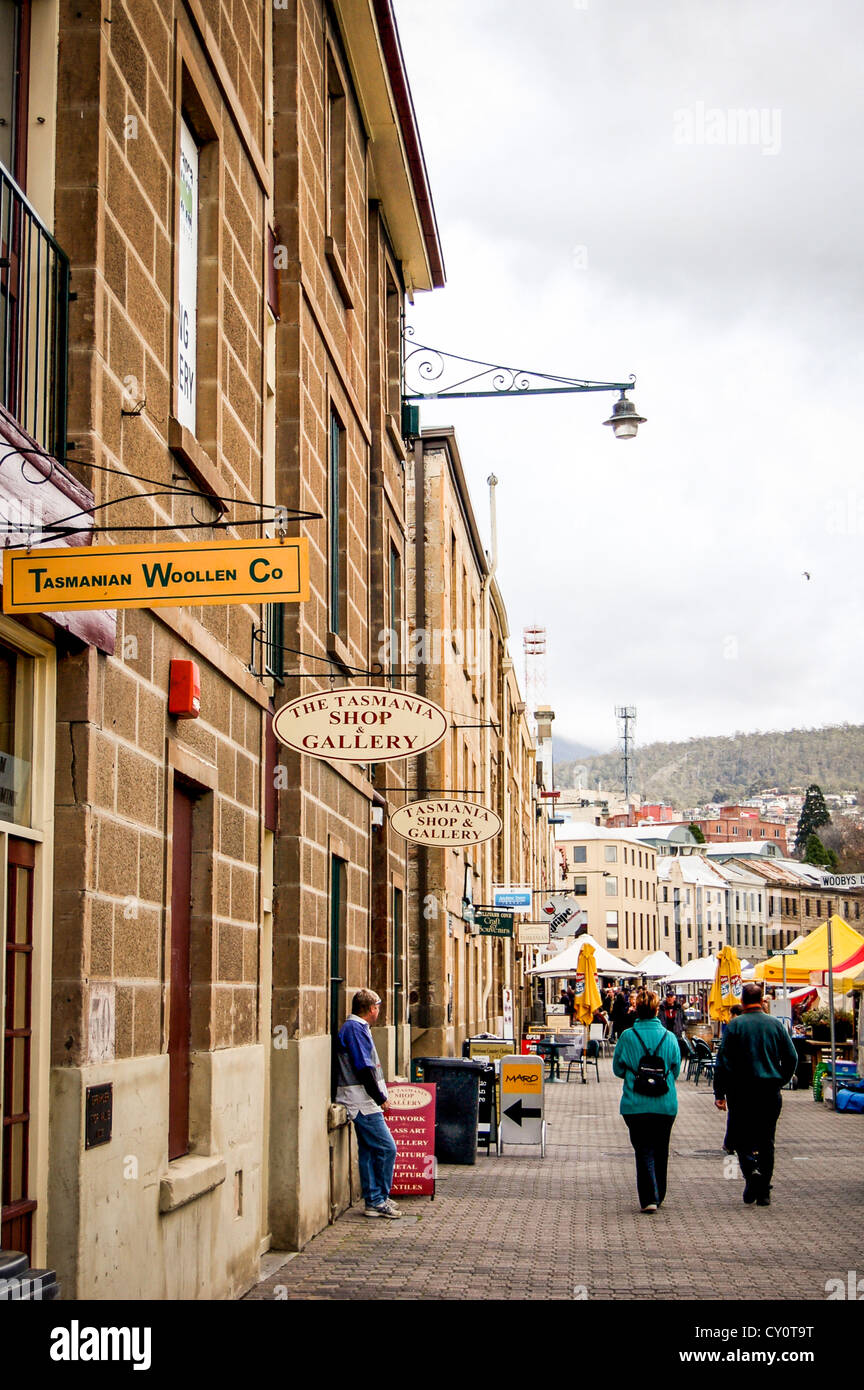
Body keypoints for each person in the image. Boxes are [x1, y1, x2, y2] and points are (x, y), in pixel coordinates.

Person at [713, 981, 798, 1207]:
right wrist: (781, 1079)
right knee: (766, 1139)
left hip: (740, 1092)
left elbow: (722, 1062)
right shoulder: (775, 1025)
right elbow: (792, 1057)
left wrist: (719, 1093)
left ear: (742, 1002)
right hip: (769, 1091)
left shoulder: (734, 1025)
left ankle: (751, 1174)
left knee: (741, 1139)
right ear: (762, 1001)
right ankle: (764, 1191)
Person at [612, 988, 682, 1213]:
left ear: (637, 1010)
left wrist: (635, 1073)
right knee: (662, 1149)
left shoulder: (627, 1036)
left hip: (635, 1104)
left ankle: (649, 1198)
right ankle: (659, 1194)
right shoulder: (669, 1037)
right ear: (656, 1009)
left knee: (643, 1149)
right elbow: (676, 1070)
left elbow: (617, 1069)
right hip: (665, 1103)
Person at [335, 988, 401, 1219]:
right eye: (378, 1007)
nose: (379, 1011)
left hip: (361, 1098)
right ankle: (377, 1198)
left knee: (368, 1150)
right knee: (387, 1148)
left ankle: (374, 1199)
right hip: (360, 1100)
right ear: (372, 1008)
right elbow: (363, 1067)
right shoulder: (355, 1029)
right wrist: (380, 1098)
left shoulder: (359, 1028)